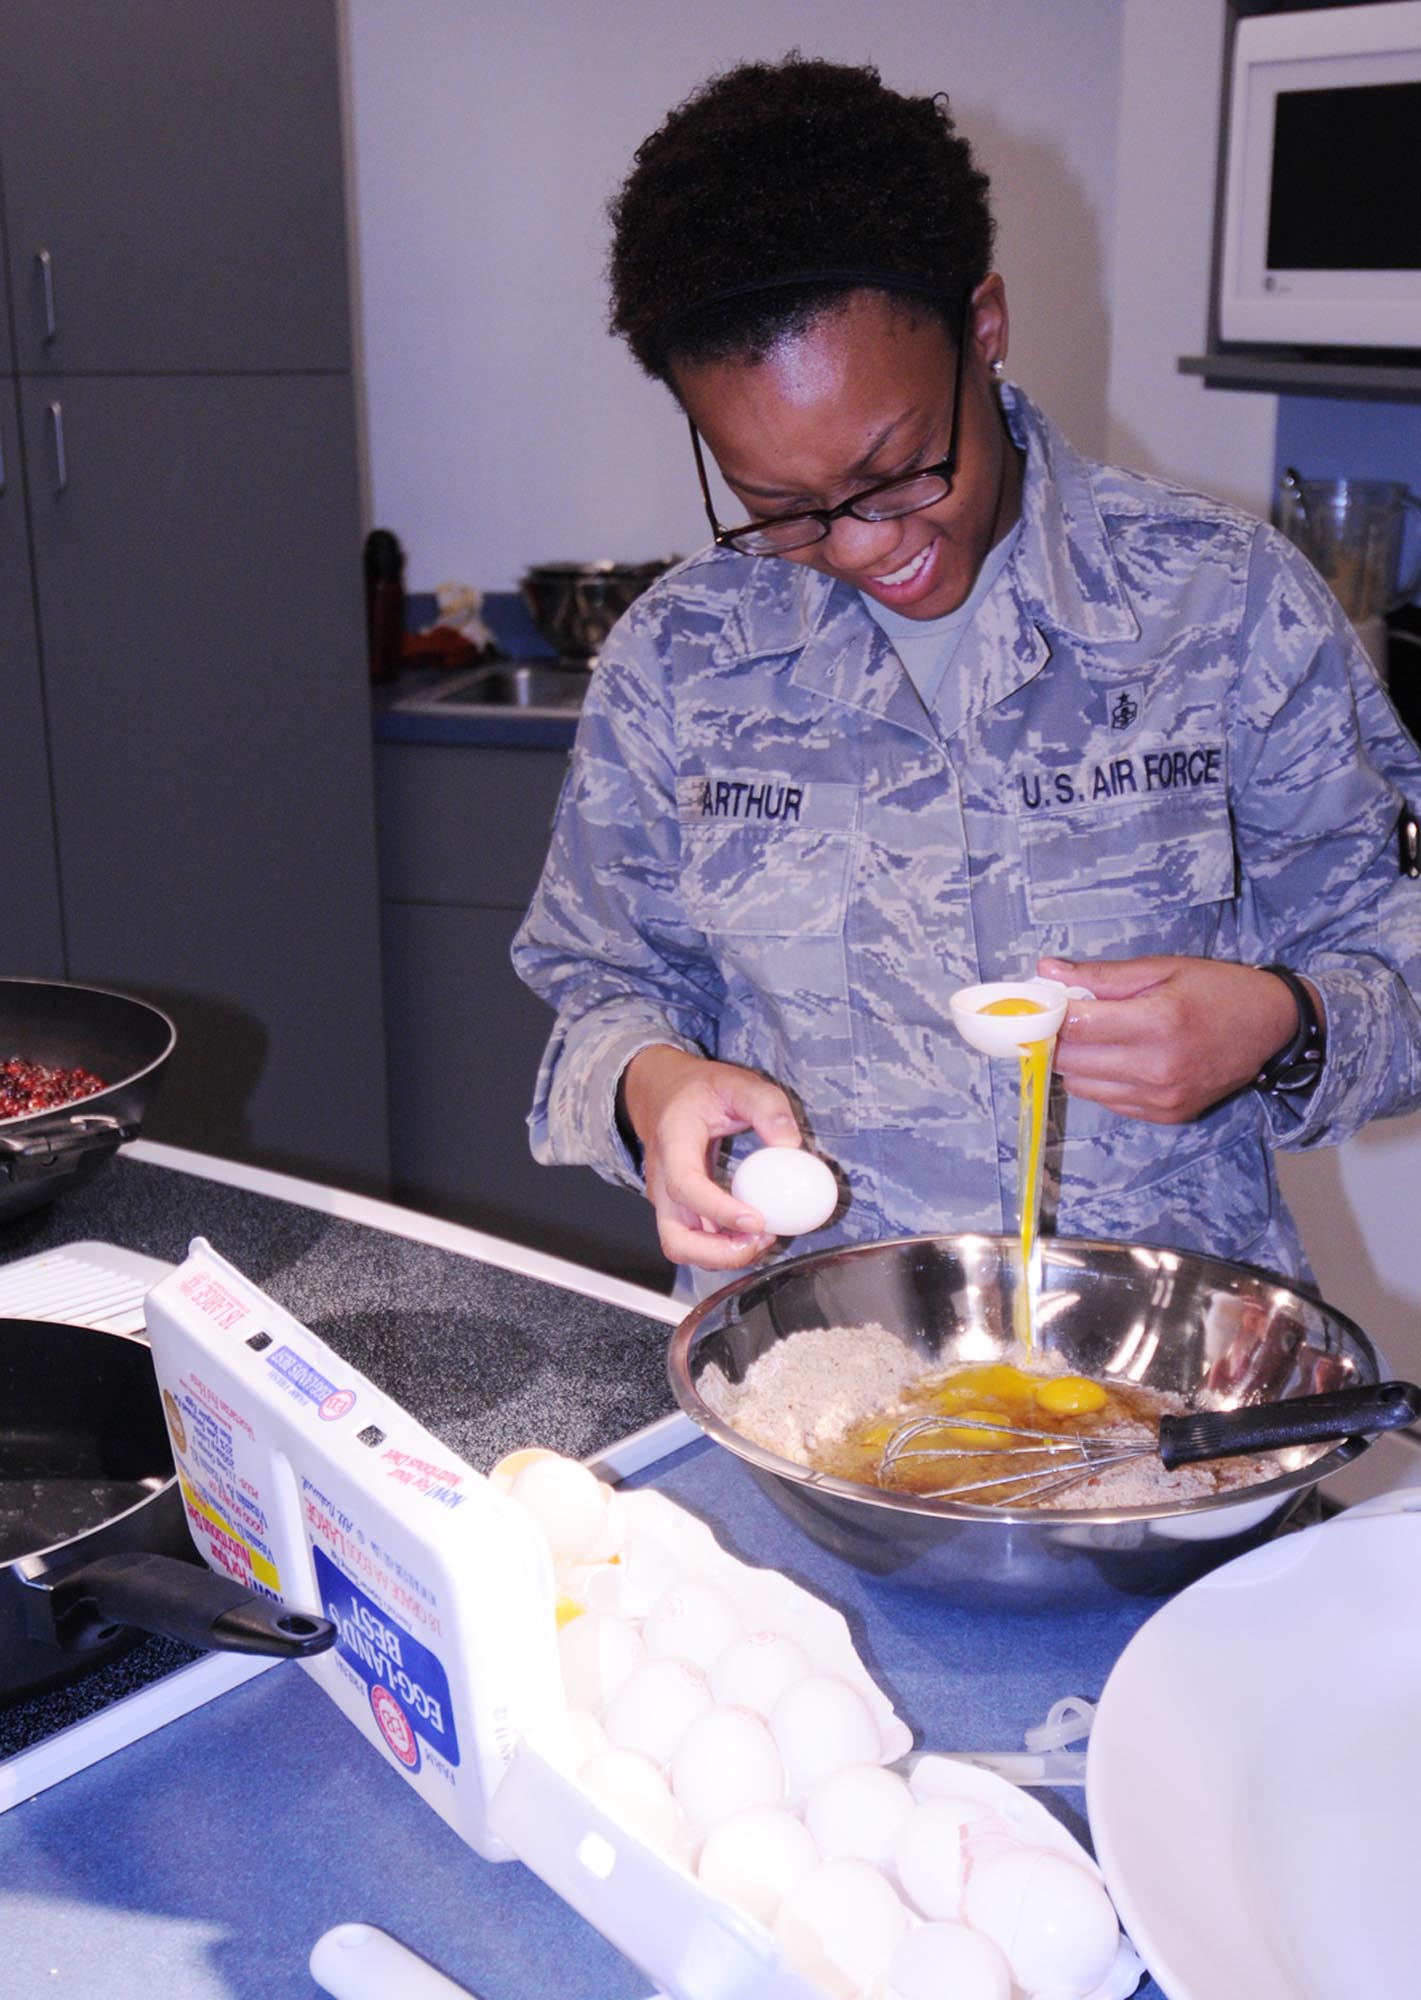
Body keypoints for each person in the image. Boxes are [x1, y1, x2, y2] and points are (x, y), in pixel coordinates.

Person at [511, 54, 1421, 1299]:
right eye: (778, 506)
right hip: (810, 1391)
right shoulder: (679, 658)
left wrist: (1283, 1021)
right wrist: (649, 1084)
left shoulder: (1222, 603)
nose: (861, 542)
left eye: (895, 472)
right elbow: (599, 980)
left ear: (982, 329)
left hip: (1162, 1389)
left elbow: (1398, 949)